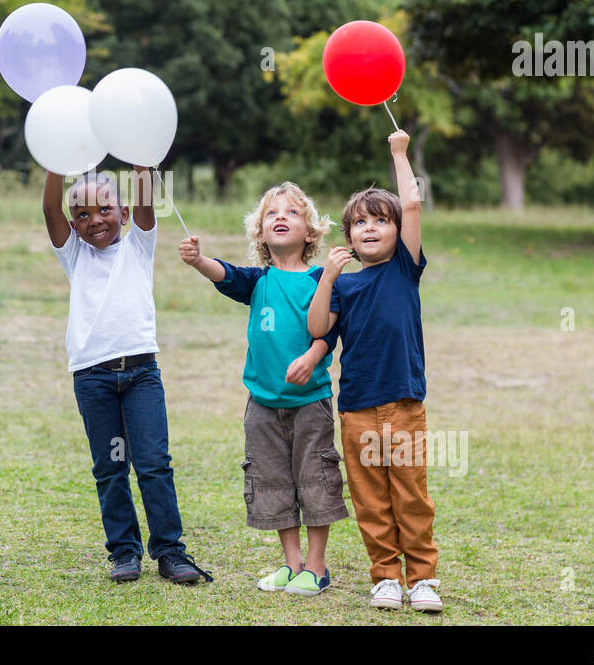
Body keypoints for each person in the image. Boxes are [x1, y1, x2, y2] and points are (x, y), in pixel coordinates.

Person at [43, 166, 211, 585]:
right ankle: (123, 551)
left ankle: (170, 552)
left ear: (122, 211)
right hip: (93, 378)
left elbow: (145, 198)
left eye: (104, 209)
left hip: (140, 376)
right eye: (80, 215)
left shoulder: (139, 243)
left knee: (154, 464)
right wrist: (55, 163)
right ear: (73, 225)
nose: (94, 220)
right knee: (111, 466)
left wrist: (140, 158)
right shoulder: (75, 254)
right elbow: (49, 206)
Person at [180, 182, 348, 596]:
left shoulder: (319, 279)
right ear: (260, 232)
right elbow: (227, 275)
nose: (280, 218)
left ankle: (317, 567)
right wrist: (199, 259)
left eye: (291, 212)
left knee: (314, 479)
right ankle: (291, 565)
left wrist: (312, 357)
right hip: (262, 406)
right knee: (271, 482)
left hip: (311, 404)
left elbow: (331, 328)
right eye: (271, 214)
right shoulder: (259, 281)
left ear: (310, 232)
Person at [307, 129, 442, 612]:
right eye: (359, 224)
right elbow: (318, 326)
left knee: (411, 496)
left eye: (379, 222)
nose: (369, 229)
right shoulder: (345, 286)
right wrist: (327, 276)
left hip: (404, 404)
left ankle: (422, 578)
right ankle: (385, 575)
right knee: (371, 499)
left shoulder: (405, 267)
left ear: (394, 231)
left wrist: (399, 154)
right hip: (358, 409)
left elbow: (412, 203)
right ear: (348, 237)